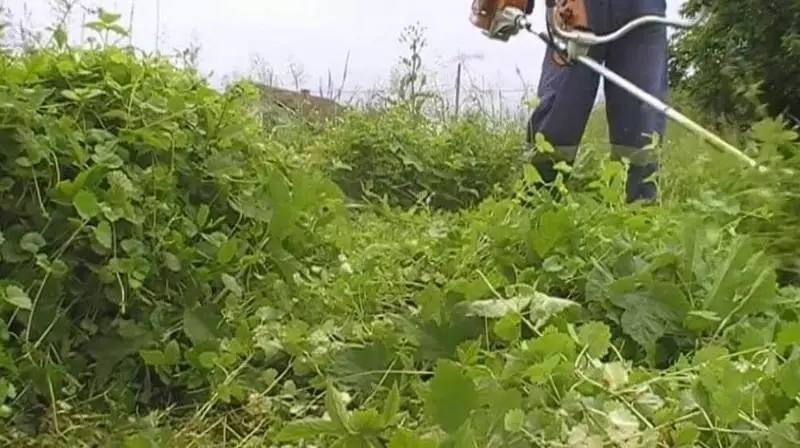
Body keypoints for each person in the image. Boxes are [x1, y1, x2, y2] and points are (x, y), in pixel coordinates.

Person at [526, 0, 668, 203]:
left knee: (642, 122)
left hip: (644, 7)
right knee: (556, 116)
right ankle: (537, 206)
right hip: (576, 9)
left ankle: (640, 217)